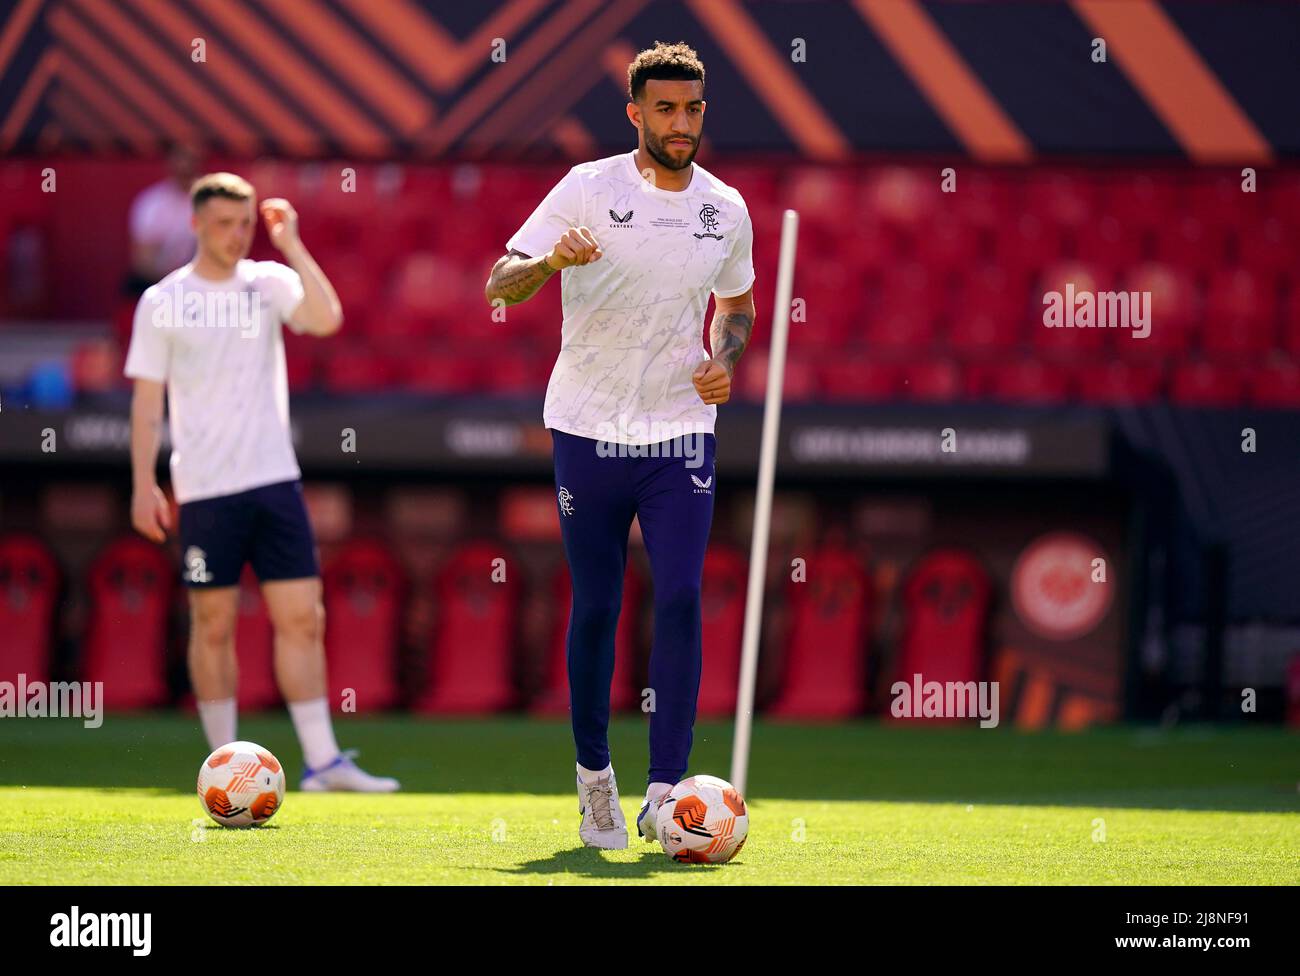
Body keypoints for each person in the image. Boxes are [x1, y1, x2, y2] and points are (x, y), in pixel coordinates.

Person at [484, 41, 756, 848]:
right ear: (635, 112)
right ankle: (594, 781)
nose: (682, 123)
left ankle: (666, 790)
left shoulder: (726, 208)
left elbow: (736, 306)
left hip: (679, 430)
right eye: (665, 109)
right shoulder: (586, 188)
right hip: (587, 425)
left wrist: (725, 359)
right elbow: (500, 281)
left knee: (677, 596)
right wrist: (547, 261)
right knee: (599, 603)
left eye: (694, 108)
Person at [125, 171, 398, 793]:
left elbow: (327, 319)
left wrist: (293, 243)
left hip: (274, 481)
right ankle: (224, 765)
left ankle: (323, 762)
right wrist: (143, 484)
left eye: (244, 224)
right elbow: (146, 403)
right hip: (202, 488)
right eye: (223, 224)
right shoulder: (162, 300)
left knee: (304, 618)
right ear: (194, 224)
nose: (235, 235)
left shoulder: (268, 282)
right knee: (214, 623)